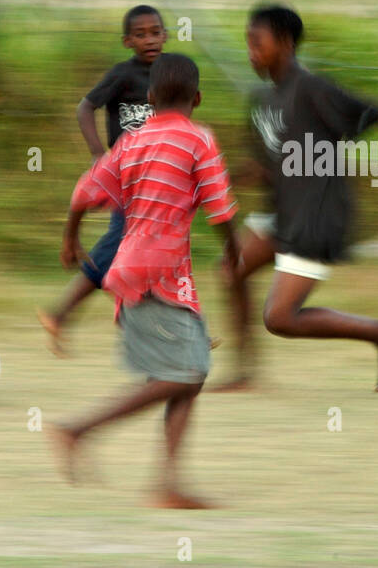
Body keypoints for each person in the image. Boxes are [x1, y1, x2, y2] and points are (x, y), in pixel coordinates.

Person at [221, 4, 378, 393]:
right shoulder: (262, 100)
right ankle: (245, 374)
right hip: (284, 213)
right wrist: (208, 179)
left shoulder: (312, 89)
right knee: (231, 270)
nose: (251, 52)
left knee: (280, 318)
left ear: (286, 43)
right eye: (247, 44)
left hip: (317, 217)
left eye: (258, 43)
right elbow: (266, 168)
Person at [50, 54, 242, 508]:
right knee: (185, 375)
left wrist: (71, 239)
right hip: (158, 275)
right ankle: (78, 430)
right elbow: (221, 209)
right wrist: (235, 255)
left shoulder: (131, 143)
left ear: (150, 98)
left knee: (188, 376)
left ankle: (168, 484)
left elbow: (84, 192)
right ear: (197, 98)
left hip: (141, 271)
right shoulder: (200, 140)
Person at [38, 5, 165, 355]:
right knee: (122, 243)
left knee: (137, 247)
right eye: (140, 34)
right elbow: (85, 107)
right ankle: (69, 314)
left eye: (155, 32)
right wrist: (99, 154)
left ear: (166, 35)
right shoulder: (122, 74)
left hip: (158, 177)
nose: (149, 39)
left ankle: (123, 317)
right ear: (127, 41)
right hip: (127, 175)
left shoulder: (170, 74)